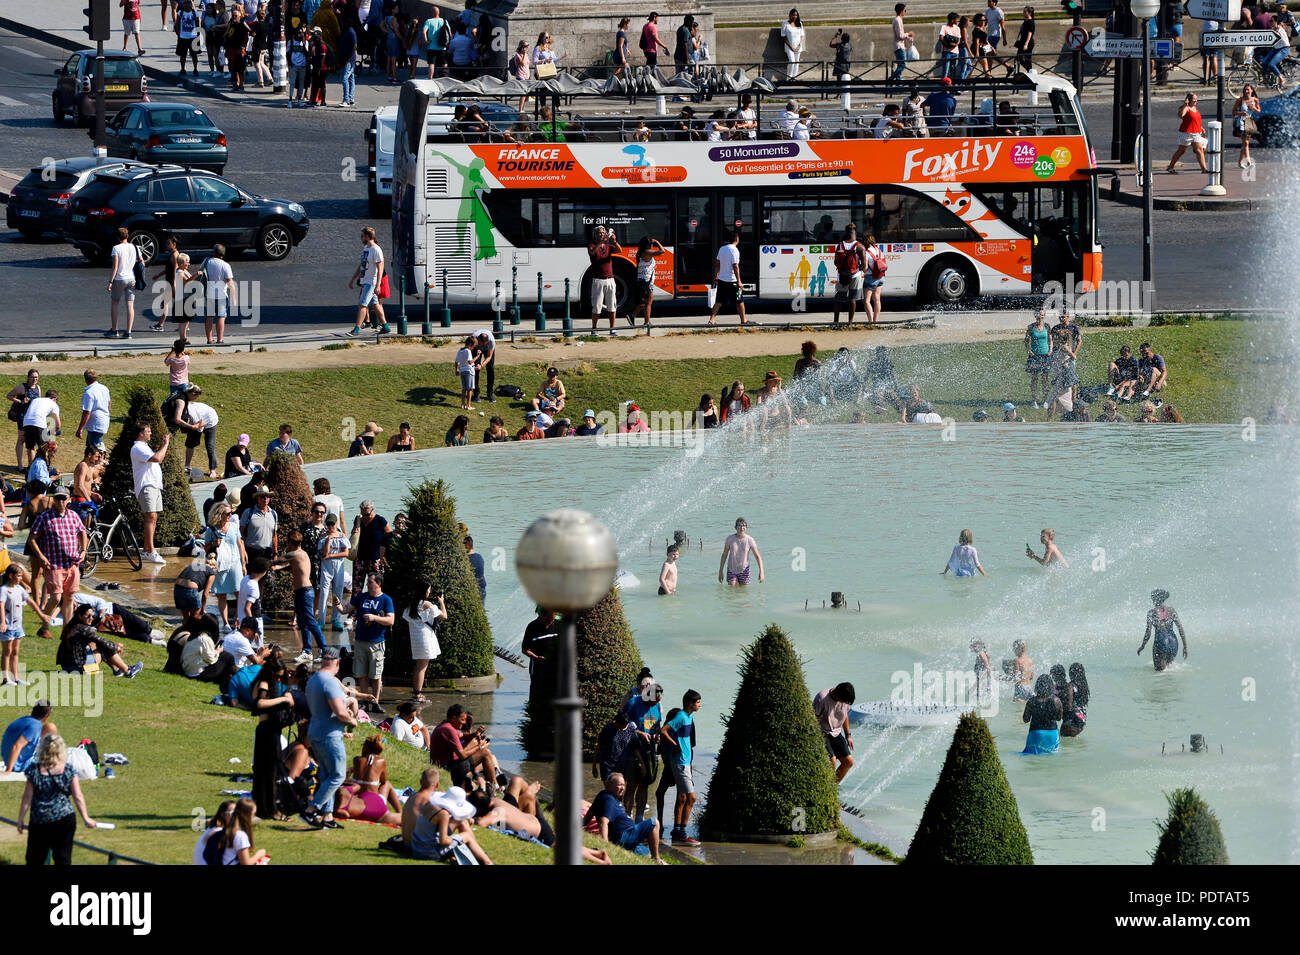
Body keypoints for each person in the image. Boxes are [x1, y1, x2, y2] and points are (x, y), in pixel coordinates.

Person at [300, 646, 359, 829]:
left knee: (326, 776)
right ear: (337, 662)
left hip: (315, 732)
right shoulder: (330, 682)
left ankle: (327, 816)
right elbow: (340, 712)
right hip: (329, 736)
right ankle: (311, 810)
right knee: (338, 776)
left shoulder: (314, 679)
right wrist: (352, 720)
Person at [17, 735, 97, 865]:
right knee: (63, 858)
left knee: (34, 859)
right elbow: (78, 796)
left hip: (40, 819)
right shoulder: (68, 770)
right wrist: (86, 818)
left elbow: (27, 797)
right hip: (64, 817)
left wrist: (21, 818)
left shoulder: (34, 771)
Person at [28, 488, 88, 632]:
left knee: (69, 597)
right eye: (57, 498)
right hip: (54, 564)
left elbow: (82, 532)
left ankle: (66, 631)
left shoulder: (73, 516)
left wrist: (84, 550)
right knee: (55, 597)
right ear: (53, 500)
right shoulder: (44, 517)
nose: (60, 501)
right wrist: (41, 556)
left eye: (63, 498)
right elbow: (32, 539)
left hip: (72, 564)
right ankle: (44, 625)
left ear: (68, 500)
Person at [342, 572, 393, 714]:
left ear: (379, 583)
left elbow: (390, 620)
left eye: (370, 582)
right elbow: (346, 610)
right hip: (360, 641)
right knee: (361, 673)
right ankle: (364, 701)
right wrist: (339, 605)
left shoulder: (386, 599)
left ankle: (375, 702)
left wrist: (374, 618)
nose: (368, 585)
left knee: (376, 675)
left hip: (376, 643)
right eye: (368, 582)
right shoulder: (361, 597)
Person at [584, 772, 665, 861]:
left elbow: (589, 814)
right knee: (654, 822)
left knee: (646, 852)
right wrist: (605, 845)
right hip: (624, 836)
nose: (622, 788)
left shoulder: (604, 795)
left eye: (623, 785)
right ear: (608, 785)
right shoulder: (608, 799)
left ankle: (654, 858)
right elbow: (603, 822)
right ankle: (656, 858)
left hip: (625, 837)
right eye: (619, 785)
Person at [430, 703, 501, 793]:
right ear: (454, 718)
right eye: (462, 720)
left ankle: (491, 783)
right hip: (449, 766)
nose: (464, 723)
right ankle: (495, 786)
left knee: (484, 752)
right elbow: (462, 755)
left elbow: (462, 735)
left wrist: (474, 734)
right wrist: (479, 747)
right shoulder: (449, 730)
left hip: (444, 763)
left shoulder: (445, 725)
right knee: (485, 752)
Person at [660, 689, 701, 846]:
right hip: (680, 763)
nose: (699, 705)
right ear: (690, 703)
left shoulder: (689, 717)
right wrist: (674, 745)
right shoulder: (681, 716)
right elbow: (663, 731)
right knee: (692, 798)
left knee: (683, 797)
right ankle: (682, 834)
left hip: (685, 762)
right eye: (697, 702)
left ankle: (677, 832)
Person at [55, 603, 140, 678]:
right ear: (80, 616)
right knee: (103, 646)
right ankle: (128, 671)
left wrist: (112, 645)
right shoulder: (82, 629)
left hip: (67, 666)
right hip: (77, 668)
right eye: (88, 616)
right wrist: (115, 647)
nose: (91, 618)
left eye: (93, 616)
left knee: (97, 644)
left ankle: (117, 670)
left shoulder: (72, 626)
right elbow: (100, 640)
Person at [334, 736, 403, 824]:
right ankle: (400, 812)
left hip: (358, 798)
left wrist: (352, 770)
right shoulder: (381, 761)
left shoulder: (357, 759)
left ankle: (400, 814)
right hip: (374, 800)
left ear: (366, 747)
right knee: (387, 784)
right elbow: (383, 781)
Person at [404, 581, 445, 703]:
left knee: (418, 666)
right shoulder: (427, 604)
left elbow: (407, 620)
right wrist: (441, 602)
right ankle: (418, 694)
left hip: (415, 637)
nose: (429, 592)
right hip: (425, 637)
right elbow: (444, 616)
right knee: (422, 667)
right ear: (424, 591)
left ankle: (417, 692)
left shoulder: (412, 604)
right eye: (428, 590)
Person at [347, 227, 389, 336]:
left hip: (371, 282)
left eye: (362, 236)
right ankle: (385, 326)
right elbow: (362, 264)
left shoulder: (376, 250)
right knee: (375, 305)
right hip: (365, 280)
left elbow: (380, 268)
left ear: (367, 236)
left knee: (362, 304)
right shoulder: (366, 248)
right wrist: (354, 278)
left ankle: (356, 329)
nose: (361, 238)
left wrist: (378, 284)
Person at [812, 682, 856, 782]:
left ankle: (832, 789)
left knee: (848, 762)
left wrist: (848, 735)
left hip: (836, 732)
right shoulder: (822, 698)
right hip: (822, 732)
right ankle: (827, 790)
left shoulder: (845, 701)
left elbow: (845, 716)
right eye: (844, 701)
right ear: (838, 695)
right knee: (832, 761)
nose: (845, 704)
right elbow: (813, 719)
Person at [1139, 589, 1187, 671]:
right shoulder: (1171, 610)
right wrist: (1185, 646)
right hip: (1173, 641)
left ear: (1154, 599)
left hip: (1161, 641)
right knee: (1170, 669)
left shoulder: (1151, 613)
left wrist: (1142, 646)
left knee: (1160, 673)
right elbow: (1180, 628)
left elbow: (1148, 632)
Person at [586, 226, 623, 334]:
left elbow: (619, 250)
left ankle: (612, 328)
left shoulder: (608, 246)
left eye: (603, 233)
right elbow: (592, 253)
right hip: (598, 280)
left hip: (610, 279)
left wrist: (614, 241)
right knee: (597, 306)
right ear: (595, 235)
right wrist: (601, 243)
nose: (601, 234)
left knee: (612, 305)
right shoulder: (592, 245)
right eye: (599, 233)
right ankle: (594, 329)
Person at [708, 231, 748, 326]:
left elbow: (717, 263)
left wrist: (716, 276)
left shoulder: (722, 249)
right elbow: (735, 266)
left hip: (722, 280)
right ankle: (744, 320)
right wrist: (739, 281)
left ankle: (712, 320)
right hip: (732, 281)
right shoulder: (734, 250)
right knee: (740, 301)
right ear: (736, 239)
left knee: (718, 301)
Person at [3, 701, 54, 773]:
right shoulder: (35, 726)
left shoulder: (23, 720)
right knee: (51, 727)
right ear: (48, 715)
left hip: (9, 759)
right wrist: (9, 770)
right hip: (20, 765)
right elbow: (17, 745)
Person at [7, 369, 41, 473]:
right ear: (28, 377)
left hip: (33, 418)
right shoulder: (22, 387)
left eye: (36, 377)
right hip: (22, 416)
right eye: (32, 377)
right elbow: (9, 396)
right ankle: (20, 465)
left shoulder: (38, 388)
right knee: (21, 440)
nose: (35, 379)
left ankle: (31, 465)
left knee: (32, 441)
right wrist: (21, 401)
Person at [200, 244, 235, 344]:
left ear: (214, 252)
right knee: (221, 316)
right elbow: (230, 281)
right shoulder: (225, 265)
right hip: (222, 294)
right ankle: (220, 339)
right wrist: (233, 296)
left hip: (209, 293)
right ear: (223, 254)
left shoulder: (207, 261)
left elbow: (200, 272)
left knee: (209, 316)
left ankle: (209, 339)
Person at [831, 225, 866, 326]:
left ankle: (835, 322)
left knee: (838, 299)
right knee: (852, 299)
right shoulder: (860, 246)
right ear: (854, 234)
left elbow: (835, 262)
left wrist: (843, 269)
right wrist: (855, 269)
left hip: (841, 276)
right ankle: (850, 322)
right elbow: (863, 265)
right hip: (855, 276)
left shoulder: (840, 245)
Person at [351, 500, 390, 589]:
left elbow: (389, 536)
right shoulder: (358, 520)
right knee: (357, 588)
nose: (365, 517)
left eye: (367, 515)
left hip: (375, 559)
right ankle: (356, 603)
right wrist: (354, 531)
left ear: (373, 510)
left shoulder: (380, 520)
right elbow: (354, 536)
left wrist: (384, 553)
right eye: (363, 514)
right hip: (359, 559)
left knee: (375, 586)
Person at [107, 228, 138, 340]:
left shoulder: (116, 248)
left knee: (115, 303)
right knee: (130, 305)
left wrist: (110, 281)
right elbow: (140, 261)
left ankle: (114, 330)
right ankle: (128, 332)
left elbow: (115, 266)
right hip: (131, 277)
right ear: (127, 236)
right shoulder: (134, 247)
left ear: (117, 237)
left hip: (120, 279)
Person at [1167, 93, 1209, 174]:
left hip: (1196, 133)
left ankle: (1204, 169)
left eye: (1196, 99)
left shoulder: (1195, 108)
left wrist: (1200, 127)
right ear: (1189, 100)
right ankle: (1170, 167)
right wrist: (1185, 105)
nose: (1196, 100)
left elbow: (1196, 120)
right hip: (1186, 133)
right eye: (1194, 99)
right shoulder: (1186, 108)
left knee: (1199, 150)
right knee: (1181, 151)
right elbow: (1181, 115)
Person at [73, 369, 111, 455]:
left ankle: (101, 462)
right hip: (104, 419)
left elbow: (87, 412)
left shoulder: (89, 393)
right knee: (91, 445)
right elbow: (109, 403)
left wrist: (80, 429)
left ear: (86, 380)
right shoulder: (104, 388)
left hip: (95, 422)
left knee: (95, 448)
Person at [1021, 674, 1060, 754]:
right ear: (1051, 687)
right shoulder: (1056, 701)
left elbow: (1026, 720)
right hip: (1052, 734)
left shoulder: (1031, 701)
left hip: (1036, 733)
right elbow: (1059, 718)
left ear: (1037, 686)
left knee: (1031, 757)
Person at [1024, 308, 1052, 407]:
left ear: (1044, 316)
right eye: (1039, 315)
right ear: (1035, 316)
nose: (1040, 317)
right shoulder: (1031, 327)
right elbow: (1026, 341)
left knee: (1045, 378)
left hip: (1045, 355)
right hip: (1035, 356)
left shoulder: (1047, 326)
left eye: (1042, 315)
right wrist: (1029, 351)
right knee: (1034, 378)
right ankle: (1034, 400)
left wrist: (1050, 350)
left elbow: (1050, 339)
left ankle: (1045, 400)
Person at [193, 799, 235, 864]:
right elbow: (206, 841)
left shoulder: (215, 828)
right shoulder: (218, 831)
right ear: (223, 815)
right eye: (232, 813)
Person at [1233, 84, 1261, 168]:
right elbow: (1233, 111)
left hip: (1249, 122)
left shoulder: (1255, 100)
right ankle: (1248, 162)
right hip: (1241, 122)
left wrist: (1253, 108)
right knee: (1245, 143)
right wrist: (1241, 113)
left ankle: (1240, 162)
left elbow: (1259, 111)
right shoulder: (1240, 100)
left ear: (1252, 90)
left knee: (1245, 143)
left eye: (1248, 90)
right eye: (1245, 90)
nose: (1246, 92)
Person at [1058, 662, 1089, 737]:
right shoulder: (1084, 686)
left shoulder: (1070, 686)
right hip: (1082, 718)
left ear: (1071, 673)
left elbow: (1069, 705)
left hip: (1071, 719)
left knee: (1061, 742)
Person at [890, 4, 913, 85]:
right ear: (901, 11)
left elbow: (900, 35)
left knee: (900, 65)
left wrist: (907, 37)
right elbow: (900, 36)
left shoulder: (897, 19)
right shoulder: (898, 20)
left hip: (898, 45)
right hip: (899, 46)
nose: (905, 12)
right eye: (905, 10)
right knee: (903, 65)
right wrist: (908, 34)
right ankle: (891, 79)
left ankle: (898, 83)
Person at [472, 329, 496, 404]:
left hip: (488, 351)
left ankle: (490, 394)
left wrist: (481, 365)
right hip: (476, 349)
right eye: (482, 344)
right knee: (475, 370)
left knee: (490, 369)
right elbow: (469, 350)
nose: (483, 346)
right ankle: (476, 394)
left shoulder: (491, 341)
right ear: (478, 340)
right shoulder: (474, 338)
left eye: (485, 344)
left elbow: (489, 357)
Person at [780, 8, 805, 78]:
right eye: (793, 15)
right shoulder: (785, 24)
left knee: (797, 62)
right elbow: (783, 37)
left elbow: (802, 35)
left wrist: (800, 44)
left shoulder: (799, 23)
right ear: (790, 15)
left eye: (796, 15)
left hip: (798, 46)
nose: (794, 17)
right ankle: (789, 77)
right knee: (792, 61)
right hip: (789, 46)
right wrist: (791, 47)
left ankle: (795, 77)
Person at [1012, 5, 1034, 73]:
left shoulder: (1030, 22)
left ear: (1029, 13)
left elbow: (1030, 33)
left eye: (1025, 12)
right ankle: (1030, 71)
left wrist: (1026, 44)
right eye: (1023, 12)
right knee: (1019, 57)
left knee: (1027, 59)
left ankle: (1030, 71)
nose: (1023, 13)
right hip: (1022, 42)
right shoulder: (1026, 21)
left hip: (1027, 43)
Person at [464, 536, 486, 601]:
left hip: (472, 592)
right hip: (482, 591)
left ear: (467, 546)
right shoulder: (480, 557)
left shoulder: (466, 559)